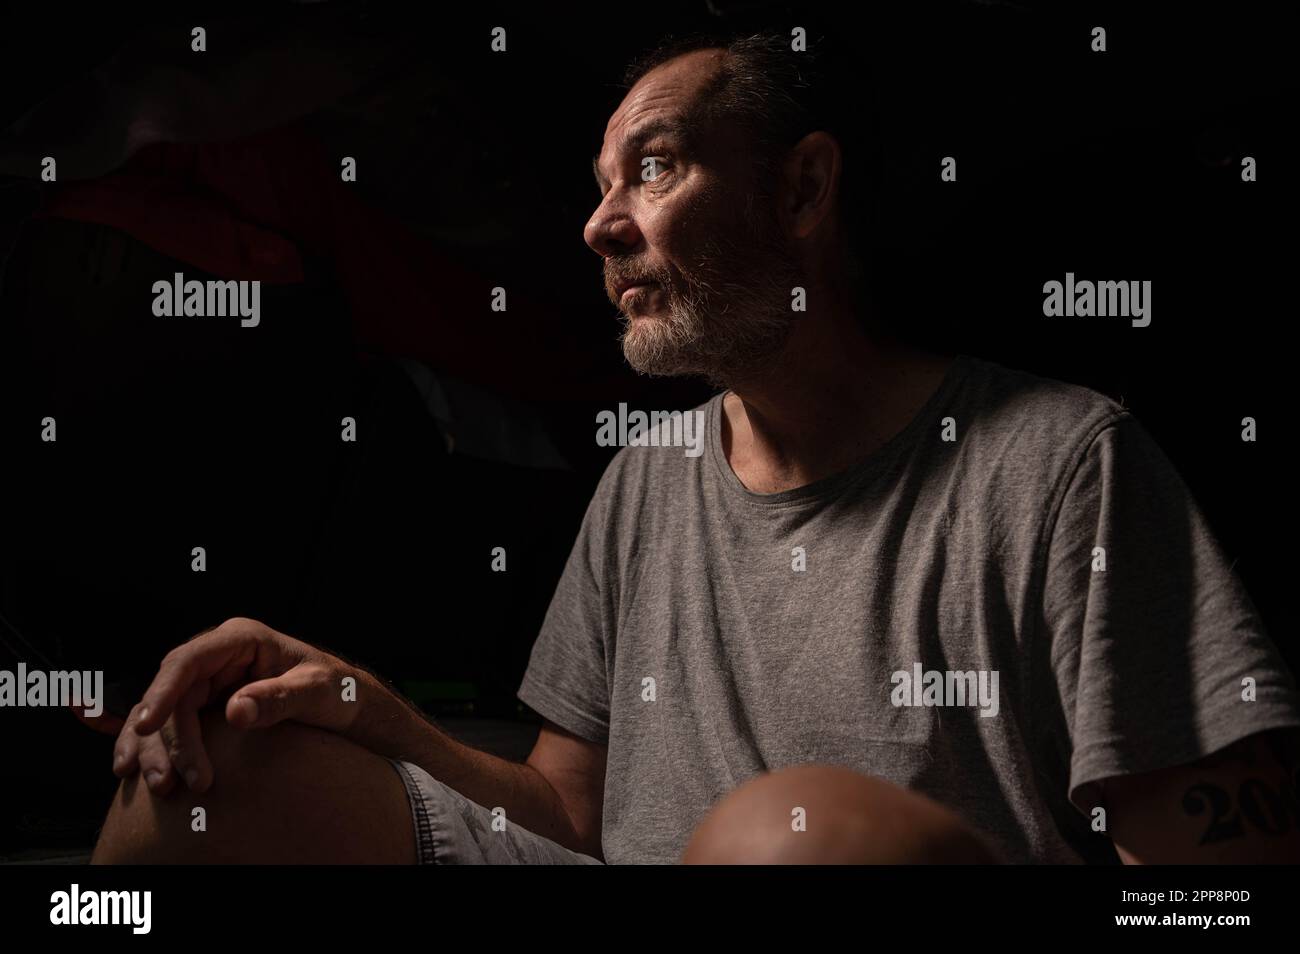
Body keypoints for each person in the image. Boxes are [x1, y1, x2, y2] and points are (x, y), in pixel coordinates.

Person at [92, 33, 1300, 865]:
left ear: (802, 191)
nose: (599, 223)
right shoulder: (644, 480)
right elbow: (573, 810)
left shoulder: (1059, 461)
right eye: (601, 186)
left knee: (792, 833)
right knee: (209, 787)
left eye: (654, 168)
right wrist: (369, 710)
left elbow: (1205, 870)